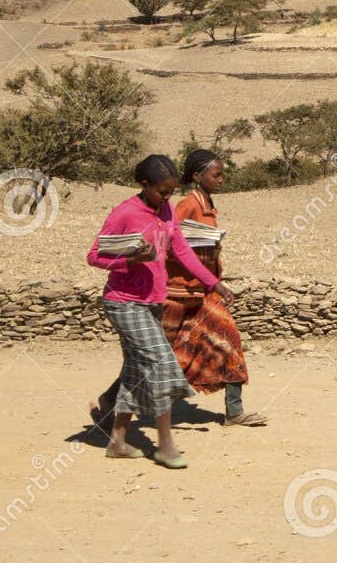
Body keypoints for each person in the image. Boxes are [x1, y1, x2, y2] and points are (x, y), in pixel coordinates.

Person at [87, 154, 231, 469]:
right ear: (144, 184)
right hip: (123, 302)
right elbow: (95, 256)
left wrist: (213, 283)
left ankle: (118, 441)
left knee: (135, 373)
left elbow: (180, 249)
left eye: (170, 191)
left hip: (153, 301)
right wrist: (131, 261)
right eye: (162, 191)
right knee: (160, 364)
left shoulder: (165, 209)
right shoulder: (124, 212)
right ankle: (165, 446)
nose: (167, 198)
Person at [169, 150, 265, 427]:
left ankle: (234, 411)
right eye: (216, 174)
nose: (221, 179)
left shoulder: (207, 203)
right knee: (164, 353)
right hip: (184, 290)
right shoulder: (188, 205)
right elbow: (169, 243)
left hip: (205, 288)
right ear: (198, 176)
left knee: (226, 344)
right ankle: (117, 401)